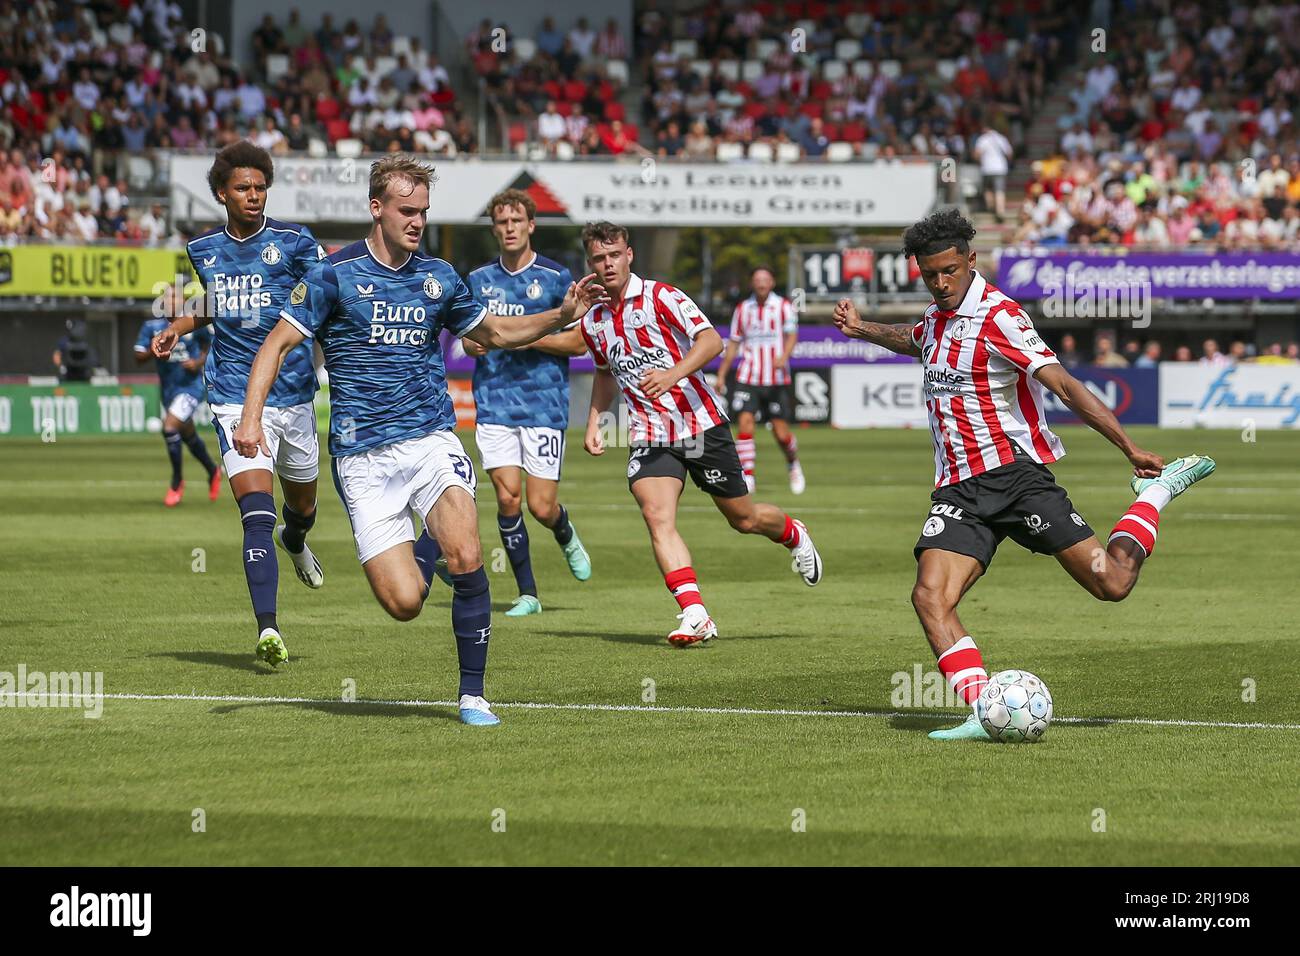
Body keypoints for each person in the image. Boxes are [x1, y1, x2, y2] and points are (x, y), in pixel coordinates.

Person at [235, 155, 609, 725]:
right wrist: (251, 418)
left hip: (431, 439)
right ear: (375, 208)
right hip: (362, 459)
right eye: (406, 211)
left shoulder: (438, 276)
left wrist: (560, 314)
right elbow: (275, 346)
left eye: (424, 212)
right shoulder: (333, 276)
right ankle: (418, 551)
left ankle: (473, 695)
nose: (417, 221)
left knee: (465, 552)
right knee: (406, 603)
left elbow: (497, 331)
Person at [832, 208, 1216, 741]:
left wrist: (1129, 448)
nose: (941, 282)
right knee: (929, 597)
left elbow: (1064, 386)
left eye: (949, 270)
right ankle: (983, 711)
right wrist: (861, 329)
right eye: (929, 274)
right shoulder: (938, 318)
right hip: (959, 491)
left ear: (971, 260)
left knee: (1112, 583)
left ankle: (1154, 495)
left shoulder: (1000, 317)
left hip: (1016, 478)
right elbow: (914, 338)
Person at [579, 221, 822, 647]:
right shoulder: (595, 321)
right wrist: (595, 419)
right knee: (657, 516)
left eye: (614, 255)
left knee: (743, 518)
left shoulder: (661, 296)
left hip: (700, 425)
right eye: (599, 258)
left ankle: (793, 534)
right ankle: (695, 613)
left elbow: (712, 342)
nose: (607, 264)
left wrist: (672, 374)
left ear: (629, 255)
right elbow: (604, 372)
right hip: (651, 434)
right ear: (590, 263)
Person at [150, 141, 326, 667]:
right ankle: (268, 629)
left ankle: (295, 540)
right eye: (243, 188)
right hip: (230, 393)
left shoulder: (296, 243)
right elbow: (219, 302)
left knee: (303, 508)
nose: (254, 195)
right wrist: (179, 323)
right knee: (255, 514)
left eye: (260, 186)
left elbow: (328, 297)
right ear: (222, 193)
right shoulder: (203, 250)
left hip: (293, 394)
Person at [455, 189, 592, 617]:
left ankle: (564, 530)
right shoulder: (478, 280)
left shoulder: (555, 277)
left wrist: (526, 335)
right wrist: (474, 344)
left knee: (540, 506)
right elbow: (466, 334)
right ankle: (528, 593)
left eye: (517, 221)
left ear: (531, 226)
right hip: (494, 404)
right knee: (508, 499)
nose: (509, 229)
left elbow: (577, 343)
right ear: (494, 228)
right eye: (502, 222)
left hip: (544, 406)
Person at [714, 267, 806, 494]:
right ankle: (748, 476)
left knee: (781, 432)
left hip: (775, 377)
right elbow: (734, 343)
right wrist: (723, 374)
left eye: (765, 279)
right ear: (752, 284)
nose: (762, 284)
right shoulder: (743, 309)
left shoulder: (783, 307)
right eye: (757, 280)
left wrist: (783, 357)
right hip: (749, 376)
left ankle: (793, 463)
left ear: (772, 282)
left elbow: (792, 335)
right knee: (745, 424)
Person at [135, 284, 221, 506]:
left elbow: (211, 346)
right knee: (188, 435)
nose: (172, 301)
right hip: (169, 390)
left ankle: (176, 482)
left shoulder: (192, 324)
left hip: (191, 387)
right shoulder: (152, 326)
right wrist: (154, 351)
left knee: (170, 427)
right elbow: (138, 356)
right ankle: (213, 470)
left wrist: (198, 362)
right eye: (168, 297)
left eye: (176, 297)